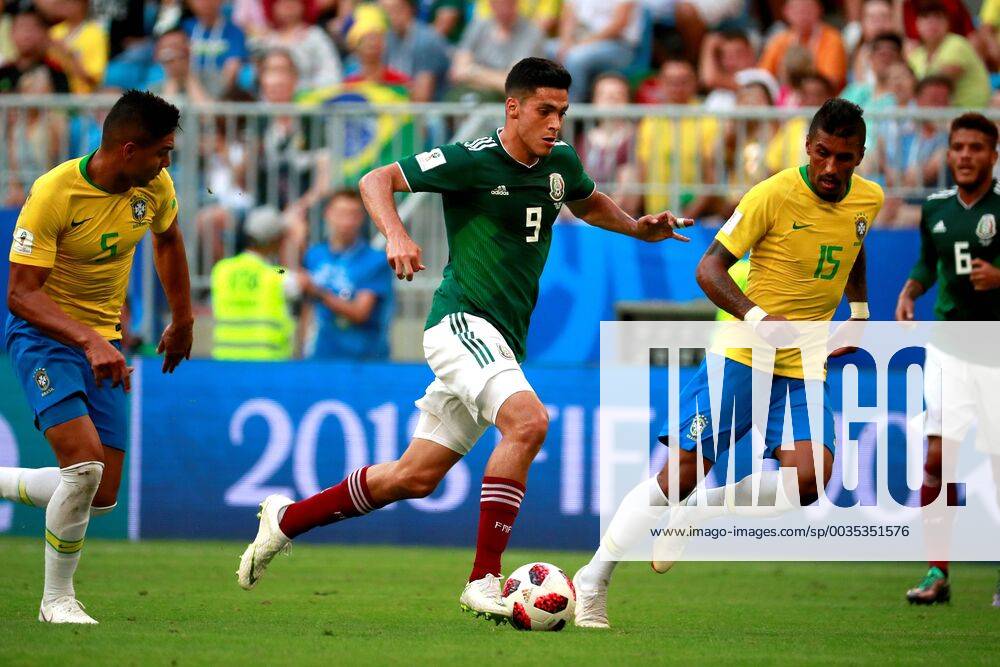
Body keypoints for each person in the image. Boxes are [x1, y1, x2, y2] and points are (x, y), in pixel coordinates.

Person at [236, 57, 693, 623]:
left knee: (414, 477)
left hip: (500, 337)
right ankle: (483, 579)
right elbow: (375, 180)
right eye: (545, 111)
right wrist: (396, 233)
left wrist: (635, 225)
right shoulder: (470, 160)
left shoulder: (561, 163)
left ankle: (286, 521)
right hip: (460, 324)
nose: (555, 124)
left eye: (563, 113)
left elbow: (584, 198)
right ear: (514, 107)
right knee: (528, 422)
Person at [573, 98, 883, 629]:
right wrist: (758, 317)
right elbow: (709, 269)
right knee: (680, 475)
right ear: (808, 148)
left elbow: (853, 247)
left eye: (845, 158)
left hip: (805, 361)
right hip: (744, 351)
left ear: (860, 156)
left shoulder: (868, 199)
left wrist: (859, 310)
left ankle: (704, 510)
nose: (833, 168)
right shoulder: (772, 194)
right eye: (824, 154)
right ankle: (594, 578)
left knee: (809, 481)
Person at [0, 90, 193, 624]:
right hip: (46, 335)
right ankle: (56, 601)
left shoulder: (153, 186)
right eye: (161, 152)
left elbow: (169, 241)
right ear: (128, 149)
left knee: (98, 492)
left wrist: (183, 319)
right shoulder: (54, 194)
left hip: (102, 339)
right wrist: (87, 340)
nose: (167, 163)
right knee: (82, 469)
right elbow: (20, 293)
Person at [895, 113, 1000, 606]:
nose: (964, 155)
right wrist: (912, 289)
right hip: (949, 348)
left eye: (976, 148)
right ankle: (937, 571)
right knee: (937, 458)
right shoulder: (935, 208)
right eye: (958, 146)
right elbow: (927, 260)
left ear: (993, 156)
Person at [300, 190, 394, 360]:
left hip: (364, 358)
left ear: (362, 218)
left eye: (353, 214)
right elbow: (308, 308)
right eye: (341, 213)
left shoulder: (375, 261)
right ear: (327, 214)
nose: (347, 221)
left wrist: (319, 292)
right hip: (321, 355)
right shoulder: (314, 255)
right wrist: (299, 350)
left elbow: (360, 312)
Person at [211, 206, 298, 360]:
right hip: (267, 365)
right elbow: (293, 279)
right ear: (276, 241)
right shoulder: (278, 275)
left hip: (225, 362)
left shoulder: (221, 269)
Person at [448, 0, 546, 103]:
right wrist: (495, 78)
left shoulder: (531, 33)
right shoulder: (478, 27)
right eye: (498, 2)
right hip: (470, 95)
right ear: (490, 4)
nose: (503, 7)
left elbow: (515, 84)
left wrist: (473, 71)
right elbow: (457, 72)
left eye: (508, 2)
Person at [908, 0, 989, 110]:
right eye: (926, 18)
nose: (932, 23)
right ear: (917, 24)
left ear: (947, 23)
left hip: (971, 115)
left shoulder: (957, 44)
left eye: (938, 18)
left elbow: (937, 86)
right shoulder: (917, 55)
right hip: (939, 117)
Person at [557, 0, 642, 104]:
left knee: (575, 59)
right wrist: (565, 44)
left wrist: (583, 44)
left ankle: (569, 113)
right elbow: (568, 16)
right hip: (579, 42)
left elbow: (619, 23)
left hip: (619, 46)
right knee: (546, 51)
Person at [758, 0, 847, 93]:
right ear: (786, 11)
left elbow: (832, 82)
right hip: (785, 101)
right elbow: (763, 78)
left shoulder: (833, 39)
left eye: (807, 8)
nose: (802, 13)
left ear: (820, 9)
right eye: (797, 9)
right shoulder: (778, 41)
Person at [258, 0, 342, 91]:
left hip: (311, 100)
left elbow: (331, 72)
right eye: (281, 2)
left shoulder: (315, 36)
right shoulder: (267, 40)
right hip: (274, 101)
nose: (288, 5)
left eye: (294, 1)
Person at [379, 0, 451, 102]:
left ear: (409, 9)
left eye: (394, 9)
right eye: (384, 11)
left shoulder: (427, 40)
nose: (389, 15)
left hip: (429, 112)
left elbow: (422, 98)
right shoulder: (387, 38)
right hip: (396, 106)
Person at [183, 0, 250, 98]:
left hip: (218, 93)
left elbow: (232, 69)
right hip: (189, 87)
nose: (206, 3)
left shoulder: (235, 32)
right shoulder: (184, 29)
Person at [0, 8, 70, 94]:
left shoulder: (56, 72)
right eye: (21, 28)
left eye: (32, 28)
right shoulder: (4, 72)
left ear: (45, 33)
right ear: (11, 33)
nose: (27, 35)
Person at [47, 0, 109, 94]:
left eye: (72, 2)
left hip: (83, 98)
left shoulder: (96, 33)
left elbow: (94, 78)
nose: (66, 5)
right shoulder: (53, 32)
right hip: (54, 94)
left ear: (84, 4)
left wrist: (69, 54)